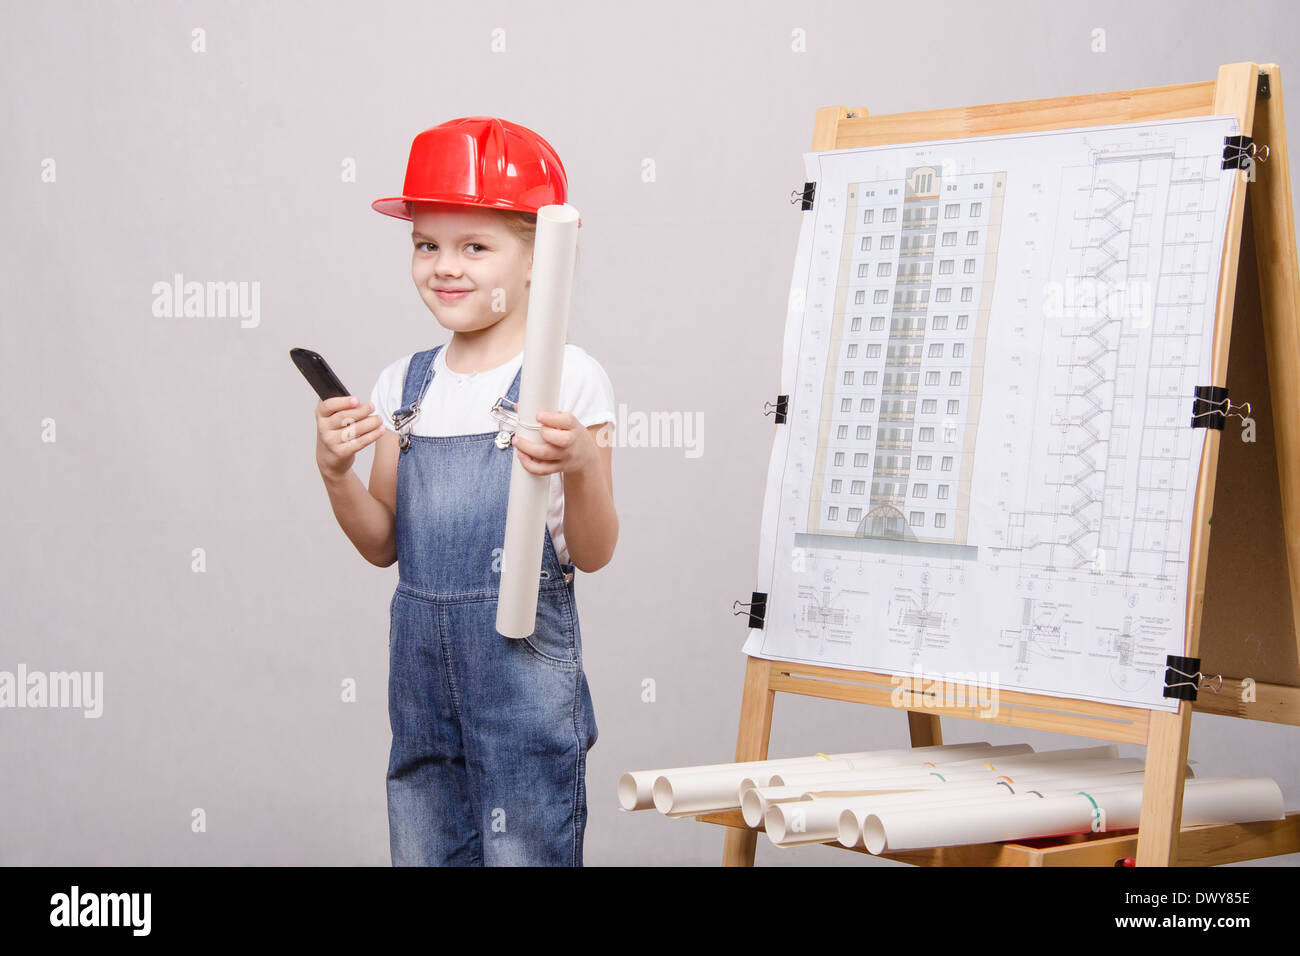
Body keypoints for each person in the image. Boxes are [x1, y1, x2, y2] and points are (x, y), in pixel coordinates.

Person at [312, 117, 617, 865]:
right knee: (424, 845)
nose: (445, 268)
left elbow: (595, 551)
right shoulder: (403, 387)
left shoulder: (569, 378)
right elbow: (384, 544)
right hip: (421, 694)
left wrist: (578, 461)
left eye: (475, 247)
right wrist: (335, 474)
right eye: (427, 244)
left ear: (539, 259)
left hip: (521, 682)